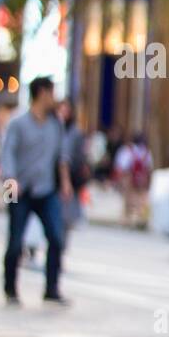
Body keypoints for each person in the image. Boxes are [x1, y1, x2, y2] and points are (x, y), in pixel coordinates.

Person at [0, 77, 73, 306]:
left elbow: (61, 156)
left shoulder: (56, 124)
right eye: (52, 93)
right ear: (41, 93)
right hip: (18, 189)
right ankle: (10, 288)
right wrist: (10, 181)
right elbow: (7, 153)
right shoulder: (18, 122)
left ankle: (51, 288)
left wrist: (65, 182)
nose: (54, 98)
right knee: (14, 241)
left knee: (56, 238)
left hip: (46, 189)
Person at [57, 101, 90, 246]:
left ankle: (59, 247)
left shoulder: (76, 133)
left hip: (69, 179)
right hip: (48, 179)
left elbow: (78, 156)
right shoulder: (52, 128)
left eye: (67, 111)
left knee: (65, 217)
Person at [115, 132, 152, 227]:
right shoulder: (146, 152)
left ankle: (126, 219)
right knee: (139, 200)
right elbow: (148, 167)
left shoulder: (127, 150)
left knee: (127, 199)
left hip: (128, 176)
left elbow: (121, 166)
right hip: (141, 177)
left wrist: (119, 179)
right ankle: (137, 220)